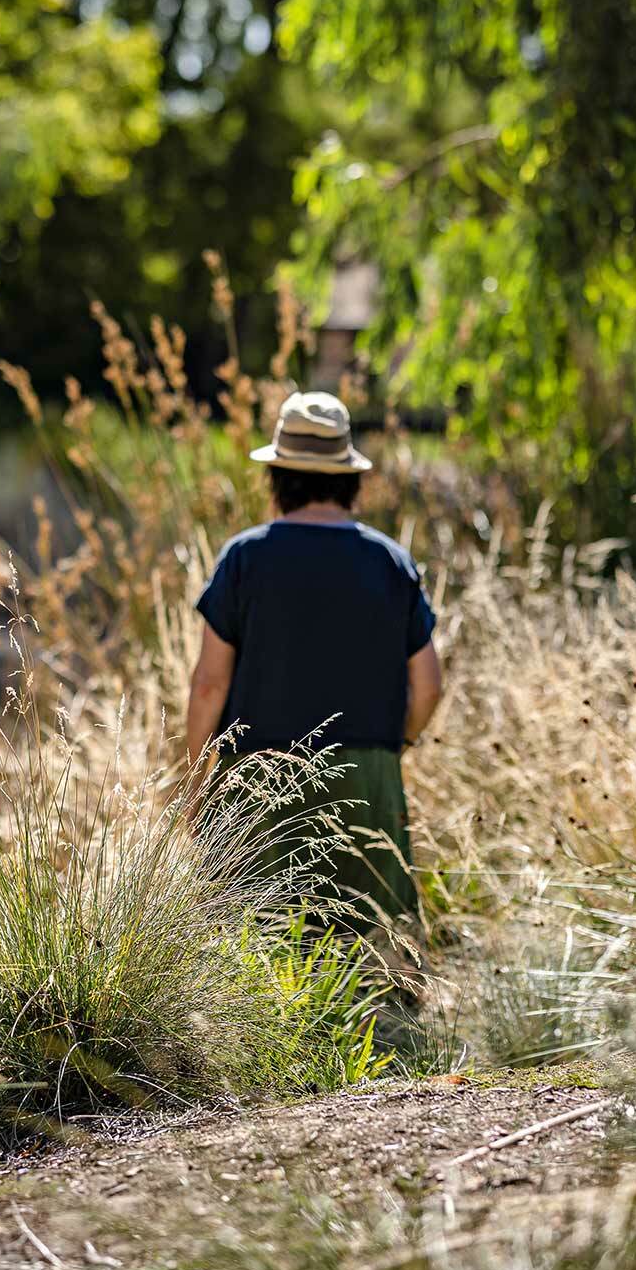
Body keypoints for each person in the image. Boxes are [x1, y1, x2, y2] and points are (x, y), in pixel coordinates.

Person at [184, 391, 445, 933]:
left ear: (278, 475)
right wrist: (394, 748)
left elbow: (209, 686)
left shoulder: (245, 558)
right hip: (367, 778)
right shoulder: (391, 562)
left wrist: (193, 784)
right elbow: (428, 687)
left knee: (252, 961)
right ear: (348, 477)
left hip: (255, 780)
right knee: (373, 963)